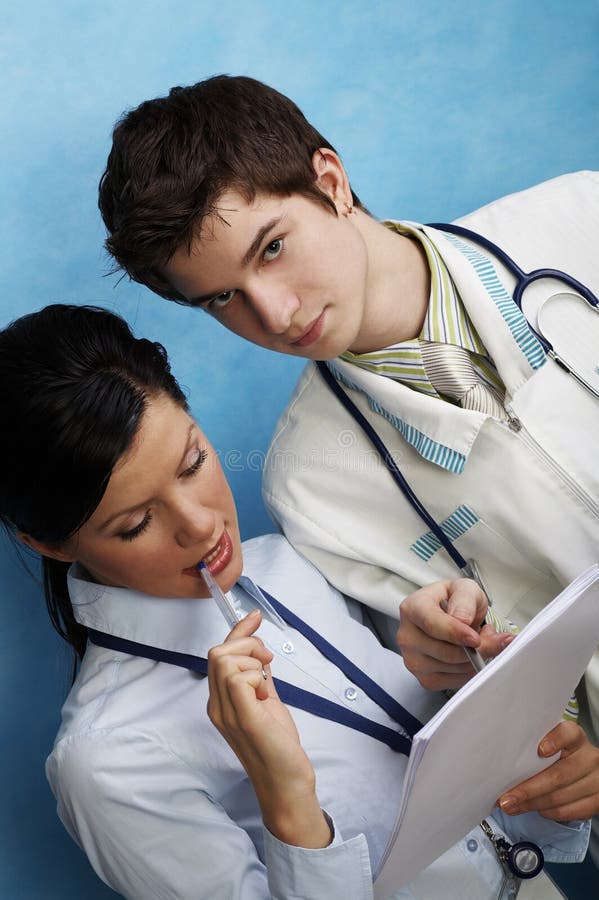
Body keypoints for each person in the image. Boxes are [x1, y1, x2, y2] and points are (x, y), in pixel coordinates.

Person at [96, 75, 599, 826]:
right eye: (221, 299)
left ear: (329, 182)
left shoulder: (576, 218)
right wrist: (471, 677)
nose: (272, 314)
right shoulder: (309, 485)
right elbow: (527, 712)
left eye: (270, 250)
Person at [0, 303, 592, 899]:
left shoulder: (287, 561)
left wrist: (501, 721)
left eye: (193, 463)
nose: (202, 526)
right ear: (48, 544)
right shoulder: (105, 762)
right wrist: (285, 796)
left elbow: (443, 784)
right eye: (135, 524)